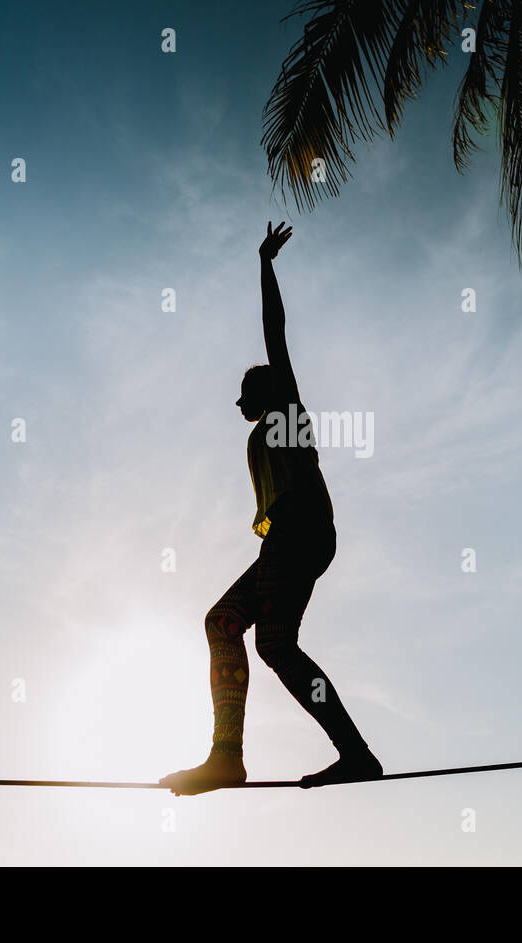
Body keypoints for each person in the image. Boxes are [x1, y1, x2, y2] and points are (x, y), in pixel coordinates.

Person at [159, 222, 382, 795]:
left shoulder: (285, 408)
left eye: (245, 393)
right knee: (223, 623)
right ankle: (226, 754)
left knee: (275, 643)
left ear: (266, 391)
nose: (238, 403)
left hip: (301, 533)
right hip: (283, 540)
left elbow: (274, 332)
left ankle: (353, 753)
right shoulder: (261, 435)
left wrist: (266, 264)